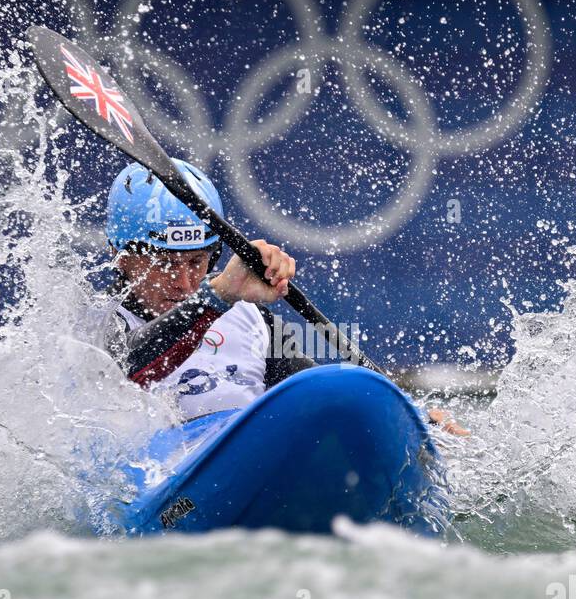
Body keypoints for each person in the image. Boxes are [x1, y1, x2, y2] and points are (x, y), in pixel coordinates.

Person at [103, 159, 466, 434]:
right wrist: (214, 298)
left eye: (197, 261)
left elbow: (316, 398)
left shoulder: (249, 318)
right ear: (121, 258)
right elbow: (128, 370)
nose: (184, 283)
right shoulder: (91, 325)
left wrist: (409, 419)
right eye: (165, 264)